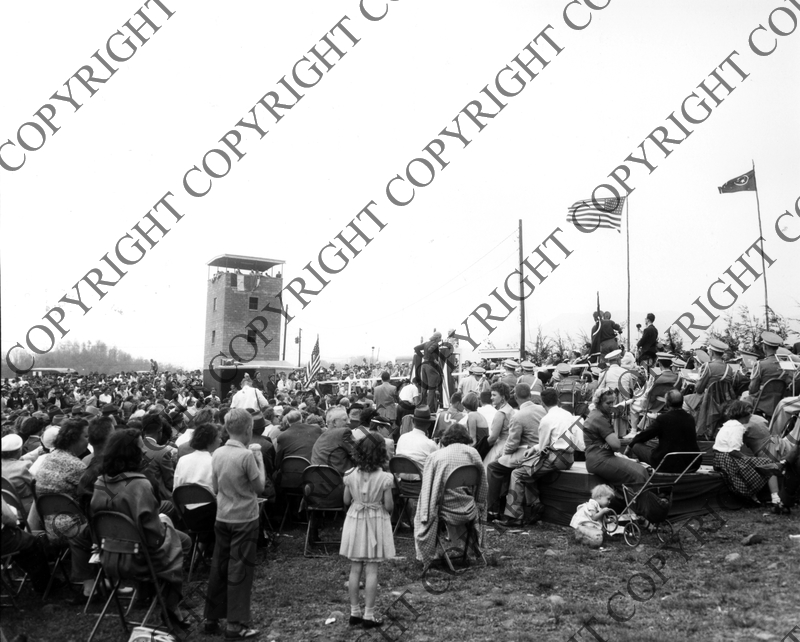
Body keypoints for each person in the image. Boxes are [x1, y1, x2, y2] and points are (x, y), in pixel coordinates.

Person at [91, 428, 190, 627]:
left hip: (109, 555)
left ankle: (150, 592)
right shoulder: (139, 485)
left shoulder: (100, 483)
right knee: (184, 541)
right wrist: (165, 524)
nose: (144, 452)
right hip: (140, 558)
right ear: (132, 453)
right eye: (140, 448)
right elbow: (154, 537)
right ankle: (171, 603)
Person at [204, 408, 266, 639]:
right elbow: (259, 487)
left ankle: (211, 617)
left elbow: (215, 488)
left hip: (223, 516)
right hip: (245, 518)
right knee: (240, 570)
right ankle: (235, 623)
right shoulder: (246, 456)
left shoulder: (217, 453)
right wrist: (260, 462)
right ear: (249, 429)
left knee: (219, 566)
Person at [499, 388, 579, 526]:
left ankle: (515, 516)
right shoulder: (568, 414)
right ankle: (535, 504)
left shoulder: (546, 420)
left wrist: (533, 451)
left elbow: (543, 448)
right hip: (570, 458)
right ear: (558, 400)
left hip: (556, 459)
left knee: (517, 473)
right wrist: (534, 449)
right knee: (528, 470)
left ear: (542, 403)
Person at [340, 433, 396, 630]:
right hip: (375, 519)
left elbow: (346, 501)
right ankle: (369, 615)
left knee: (355, 568)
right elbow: (388, 506)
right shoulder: (385, 478)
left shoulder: (350, 474)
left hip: (355, 519)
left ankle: (354, 612)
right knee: (372, 569)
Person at [414, 424, 488, 566]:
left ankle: (425, 555)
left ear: (445, 438)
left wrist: (426, 512)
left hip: (444, 509)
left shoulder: (435, 456)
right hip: (469, 508)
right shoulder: (473, 453)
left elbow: (427, 490)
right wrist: (479, 503)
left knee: (422, 504)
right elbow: (483, 483)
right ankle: (472, 549)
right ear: (465, 437)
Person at [486, 384, 545, 516]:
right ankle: (533, 503)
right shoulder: (542, 409)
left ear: (515, 397)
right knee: (511, 468)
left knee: (493, 467)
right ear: (530, 395)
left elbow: (512, 444)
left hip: (529, 453)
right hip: (543, 450)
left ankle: (492, 509)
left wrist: (502, 455)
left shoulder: (518, 416)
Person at [712, 400, 782, 506]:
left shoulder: (728, 424)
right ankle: (775, 498)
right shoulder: (738, 427)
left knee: (757, 463)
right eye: (749, 414)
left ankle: (755, 497)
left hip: (719, 458)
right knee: (768, 464)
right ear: (743, 415)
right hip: (728, 460)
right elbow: (733, 451)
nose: (750, 416)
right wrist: (746, 459)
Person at [583, 387, 649, 488]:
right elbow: (616, 445)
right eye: (608, 403)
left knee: (641, 470)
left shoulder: (596, 414)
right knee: (639, 473)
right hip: (600, 459)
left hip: (598, 458)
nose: (611, 406)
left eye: (612, 402)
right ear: (598, 403)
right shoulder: (599, 418)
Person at [625, 390, 701, 472]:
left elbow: (644, 436)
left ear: (667, 403)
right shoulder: (690, 418)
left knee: (636, 445)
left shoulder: (663, 419)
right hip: (692, 463)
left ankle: (647, 472)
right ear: (682, 403)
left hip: (667, 464)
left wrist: (630, 445)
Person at [174, 423, 221, 493]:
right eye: (219, 437)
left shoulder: (182, 460)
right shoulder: (214, 462)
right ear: (211, 440)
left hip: (182, 502)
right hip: (209, 502)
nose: (221, 440)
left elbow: (175, 487)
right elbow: (218, 490)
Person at [311, 406, 355, 474]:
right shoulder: (343, 433)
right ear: (334, 423)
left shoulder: (321, 438)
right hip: (341, 479)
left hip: (320, 480)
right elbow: (360, 453)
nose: (349, 422)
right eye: (345, 420)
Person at [570, 484, 615, 548]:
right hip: (584, 524)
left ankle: (588, 537)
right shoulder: (592, 504)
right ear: (599, 496)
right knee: (593, 536)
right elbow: (594, 517)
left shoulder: (601, 507)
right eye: (608, 499)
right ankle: (582, 535)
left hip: (590, 526)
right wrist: (602, 512)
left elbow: (603, 520)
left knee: (598, 534)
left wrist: (610, 520)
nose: (609, 502)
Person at [748, 331, 793, 395]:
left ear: (764, 347)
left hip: (762, 400)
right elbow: (790, 385)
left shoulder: (760, 365)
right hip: (781, 400)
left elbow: (752, 389)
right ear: (777, 347)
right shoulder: (786, 364)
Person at [1, 433, 35, 516]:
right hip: (24, 508)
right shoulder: (24, 466)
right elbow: (36, 485)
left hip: (4, 507)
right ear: (19, 450)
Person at [483, 382, 515, 466]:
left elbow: (493, 437)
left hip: (500, 447)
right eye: (491, 395)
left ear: (502, 397)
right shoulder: (510, 410)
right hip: (510, 446)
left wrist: (482, 447)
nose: (491, 398)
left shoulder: (500, 413)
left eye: (494, 395)